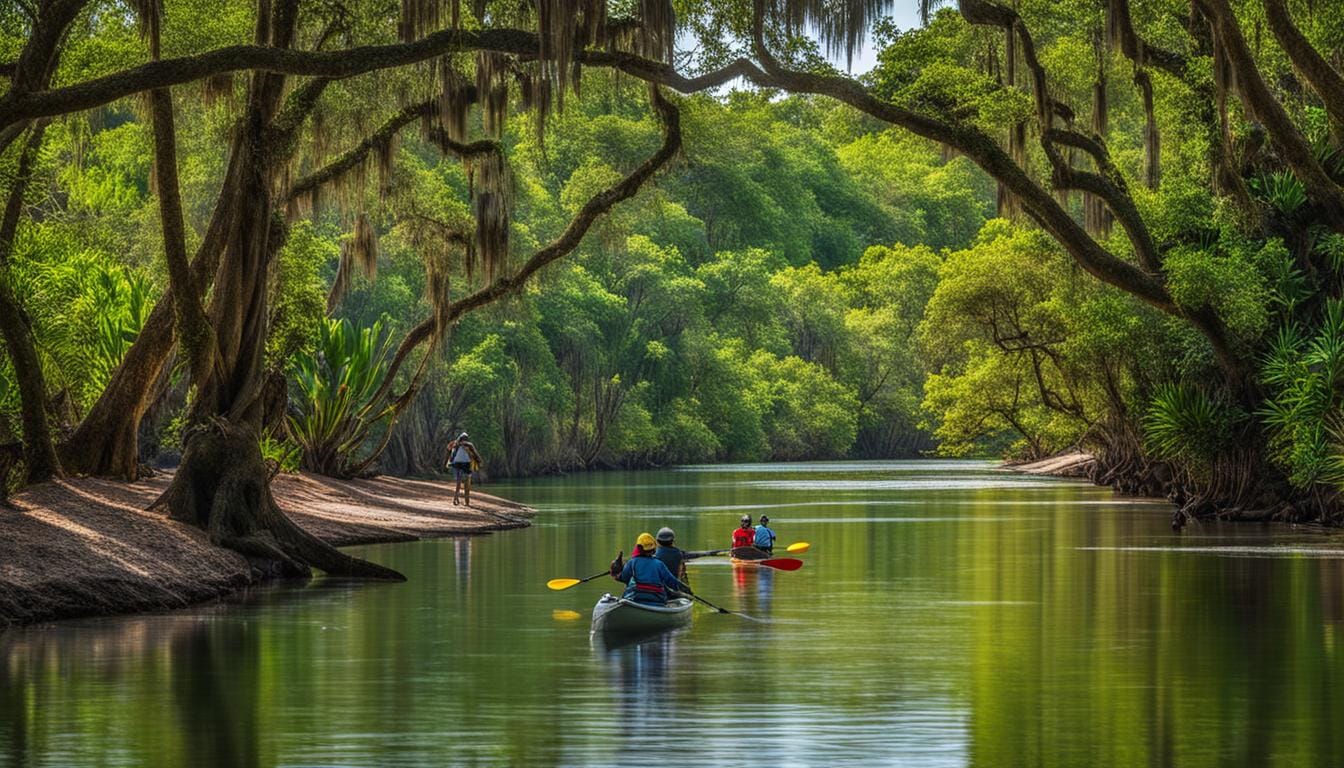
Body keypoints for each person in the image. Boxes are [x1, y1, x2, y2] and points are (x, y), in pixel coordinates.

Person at [609, 532, 691, 606]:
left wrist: (615, 572)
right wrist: (685, 589)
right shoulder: (659, 564)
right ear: (654, 548)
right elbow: (671, 582)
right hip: (657, 600)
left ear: (639, 548)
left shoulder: (632, 562)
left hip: (636, 598)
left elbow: (623, 578)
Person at [444, 432, 481, 507]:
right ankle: (465, 502)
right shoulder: (467, 444)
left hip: (458, 464)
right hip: (464, 464)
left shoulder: (455, 444)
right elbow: (475, 454)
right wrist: (479, 460)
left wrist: (445, 464)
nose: (464, 440)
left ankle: (457, 498)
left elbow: (448, 452)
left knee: (459, 482)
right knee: (466, 483)